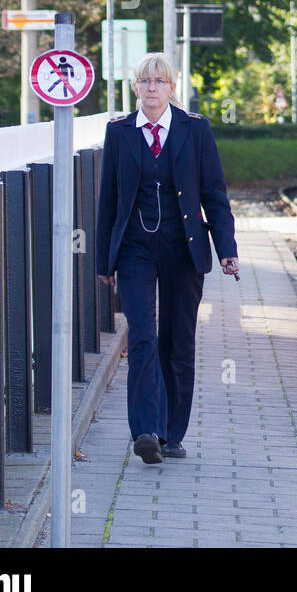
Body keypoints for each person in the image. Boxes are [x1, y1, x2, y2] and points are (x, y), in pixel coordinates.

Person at [96, 52, 239, 464]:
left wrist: (226, 249)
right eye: (145, 81)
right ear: (136, 87)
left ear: (172, 87)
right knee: (142, 335)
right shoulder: (120, 132)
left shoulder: (195, 130)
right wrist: (105, 263)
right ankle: (145, 430)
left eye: (160, 81)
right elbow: (108, 201)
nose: (152, 88)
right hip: (135, 250)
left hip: (183, 248)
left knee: (178, 341)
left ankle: (171, 433)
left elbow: (214, 192)